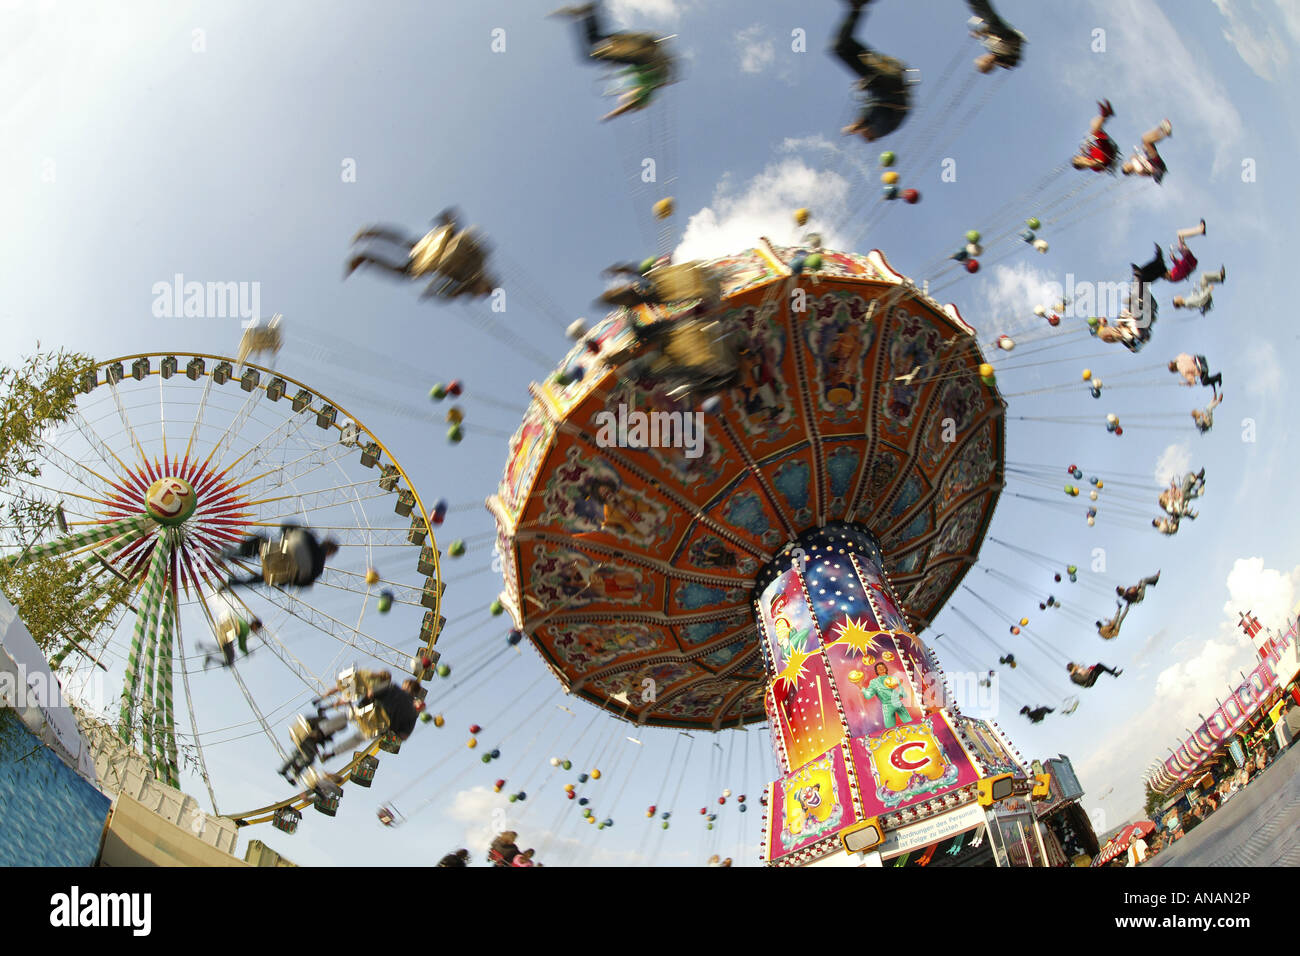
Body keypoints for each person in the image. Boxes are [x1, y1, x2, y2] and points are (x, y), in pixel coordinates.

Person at [552, 3, 675, 121]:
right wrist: (611, 115)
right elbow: (632, 105)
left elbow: (626, 66)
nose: (627, 95)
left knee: (596, 41)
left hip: (640, 46)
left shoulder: (643, 81)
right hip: (644, 53)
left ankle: (589, 13)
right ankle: (588, 13)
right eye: (627, 97)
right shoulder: (645, 93)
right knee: (591, 54)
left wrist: (611, 66)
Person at [346, 209, 497, 300]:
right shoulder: (479, 264)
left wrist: (435, 292)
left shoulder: (467, 285)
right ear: (486, 281)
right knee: (407, 246)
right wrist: (452, 225)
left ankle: (365, 257)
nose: (479, 292)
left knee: (406, 257)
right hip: (440, 246)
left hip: (432, 259)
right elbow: (471, 242)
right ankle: (371, 235)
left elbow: (447, 291)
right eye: (484, 290)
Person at [832, 0, 912, 143]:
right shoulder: (878, 129)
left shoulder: (889, 124)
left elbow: (891, 107)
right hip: (885, 79)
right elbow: (862, 123)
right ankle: (857, 7)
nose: (861, 134)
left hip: (890, 73)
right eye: (863, 135)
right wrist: (850, 129)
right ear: (869, 136)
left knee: (844, 45)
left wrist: (866, 85)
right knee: (839, 48)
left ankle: (857, 7)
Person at [222, 524, 339, 590]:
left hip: (275, 553)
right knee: (263, 579)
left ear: (324, 542)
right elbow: (302, 584)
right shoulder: (318, 570)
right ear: (329, 554)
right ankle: (232, 583)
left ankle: (228, 554)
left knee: (257, 544)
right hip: (279, 572)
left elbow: (286, 527)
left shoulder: (310, 537)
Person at [967, 0, 1024, 73]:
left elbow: (985, 34)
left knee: (982, 14)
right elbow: (1013, 63)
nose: (986, 58)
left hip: (1003, 34)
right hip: (1008, 38)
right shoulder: (1004, 61)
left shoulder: (990, 47)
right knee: (986, 17)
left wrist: (978, 34)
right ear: (991, 65)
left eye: (983, 58)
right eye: (987, 61)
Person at [1072, 100, 1119, 172]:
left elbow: (1090, 145)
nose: (1079, 156)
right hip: (1108, 153)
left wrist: (1085, 147)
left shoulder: (1089, 155)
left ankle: (1107, 114)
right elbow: (1100, 163)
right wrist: (1087, 164)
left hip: (1103, 145)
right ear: (1081, 163)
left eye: (1077, 157)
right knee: (1094, 132)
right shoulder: (1094, 167)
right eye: (1078, 158)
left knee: (1093, 123)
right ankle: (1105, 115)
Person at [1122, 118, 1173, 183]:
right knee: (1146, 141)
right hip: (1154, 163)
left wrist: (1136, 156)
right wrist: (1154, 172)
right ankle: (1164, 132)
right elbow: (1149, 173)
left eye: (1126, 165)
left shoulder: (1133, 160)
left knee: (1145, 138)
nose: (1127, 165)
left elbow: (1137, 155)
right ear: (1129, 171)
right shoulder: (1138, 171)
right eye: (1127, 168)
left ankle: (1162, 129)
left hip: (1150, 157)